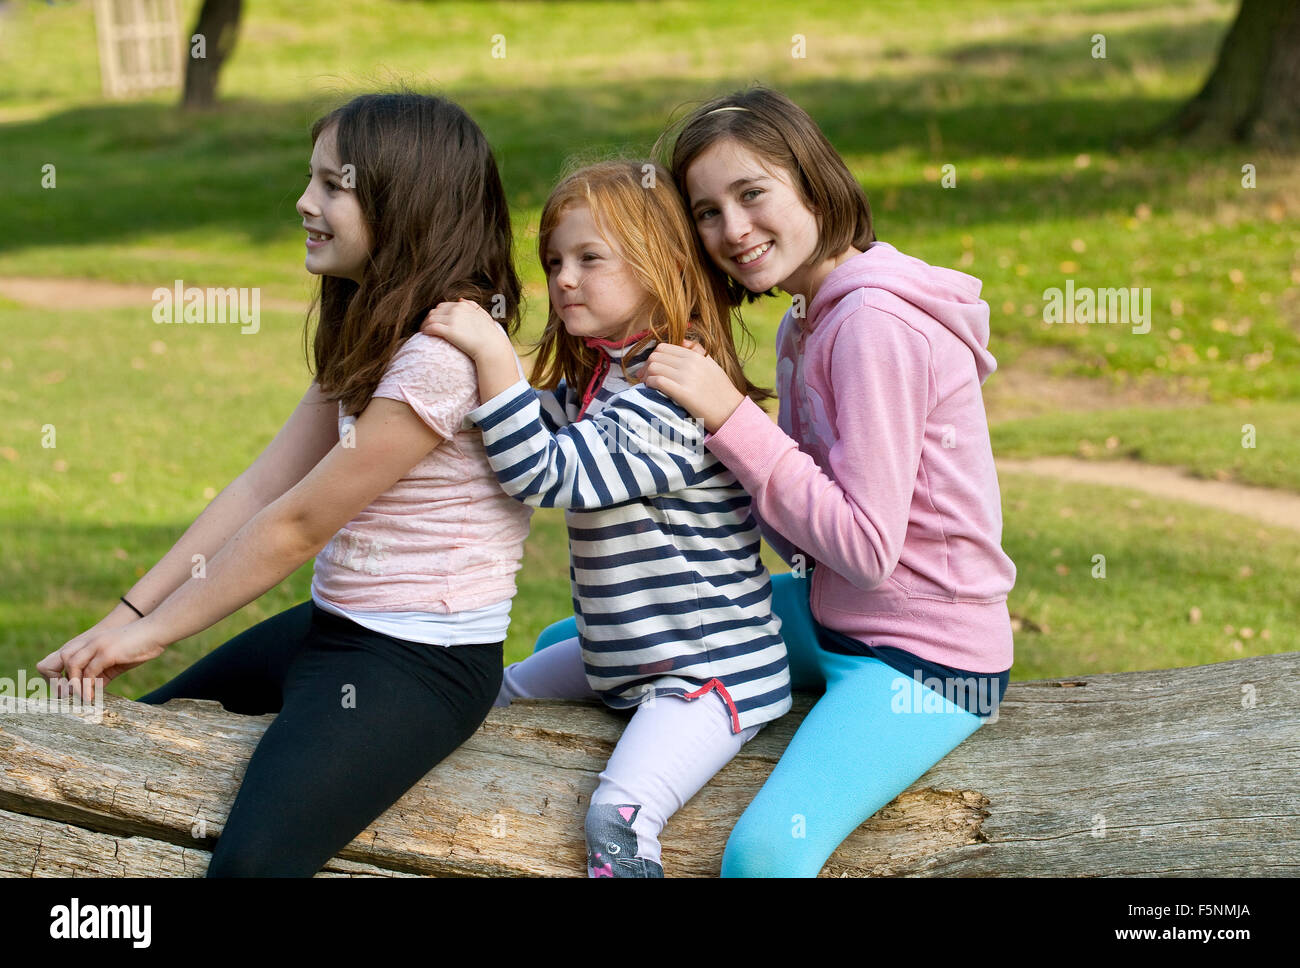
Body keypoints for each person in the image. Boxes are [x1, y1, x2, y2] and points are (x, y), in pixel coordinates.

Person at [35, 91, 531, 877]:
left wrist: (154, 635)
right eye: (312, 179)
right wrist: (126, 617)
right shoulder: (377, 316)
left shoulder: (442, 357)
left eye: (335, 185)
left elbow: (297, 523)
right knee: (133, 742)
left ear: (407, 204)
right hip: (333, 628)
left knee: (249, 870)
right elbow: (262, 485)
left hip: (417, 664)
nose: (305, 202)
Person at [639, 86, 1016, 877]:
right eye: (707, 212)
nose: (733, 229)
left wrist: (732, 416)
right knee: (582, 650)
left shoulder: (873, 325)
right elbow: (801, 527)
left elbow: (866, 548)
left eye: (752, 193)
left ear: (814, 182)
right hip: (831, 615)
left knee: (766, 856)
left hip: (927, 660)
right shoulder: (804, 320)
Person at [421, 159, 791, 877]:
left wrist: (495, 354)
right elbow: (528, 425)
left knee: (616, 819)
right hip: (622, 658)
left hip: (706, 674)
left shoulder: (673, 389)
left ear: (660, 266)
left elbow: (546, 470)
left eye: (591, 259)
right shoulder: (607, 374)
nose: (563, 278)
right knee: (484, 696)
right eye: (555, 260)